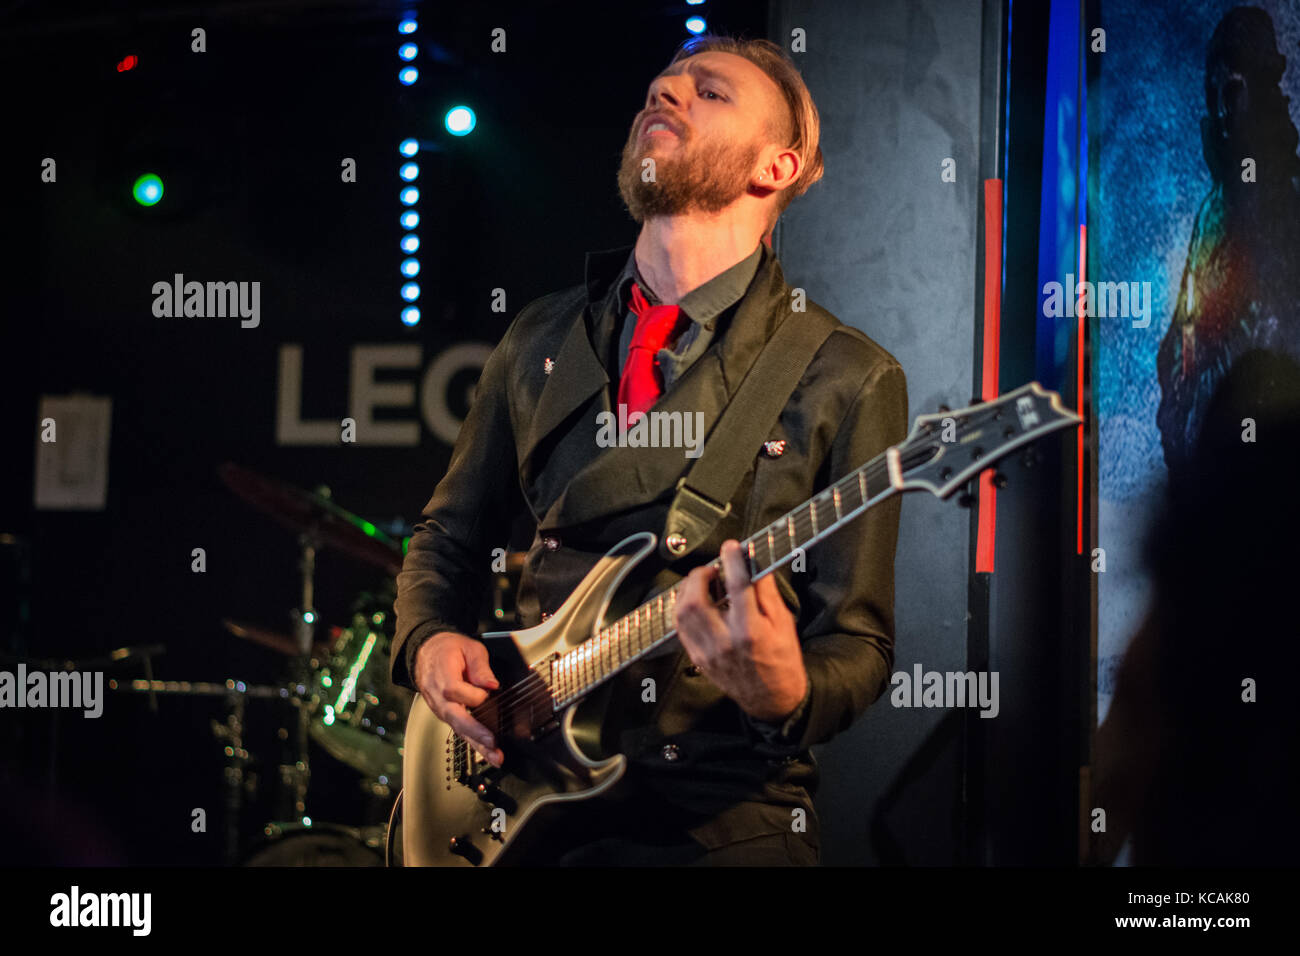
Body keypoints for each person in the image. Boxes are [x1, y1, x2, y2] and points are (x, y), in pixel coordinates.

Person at [392, 34, 908, 865]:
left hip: (721, 823)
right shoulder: (540, 336)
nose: (666, 92)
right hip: (526, 804)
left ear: (775, 168)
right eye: (662, 83)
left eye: (709, 93)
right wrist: (427, 640)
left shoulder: (844, 372)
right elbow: (447, 540)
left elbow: (860, 643)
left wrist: (787, 691)